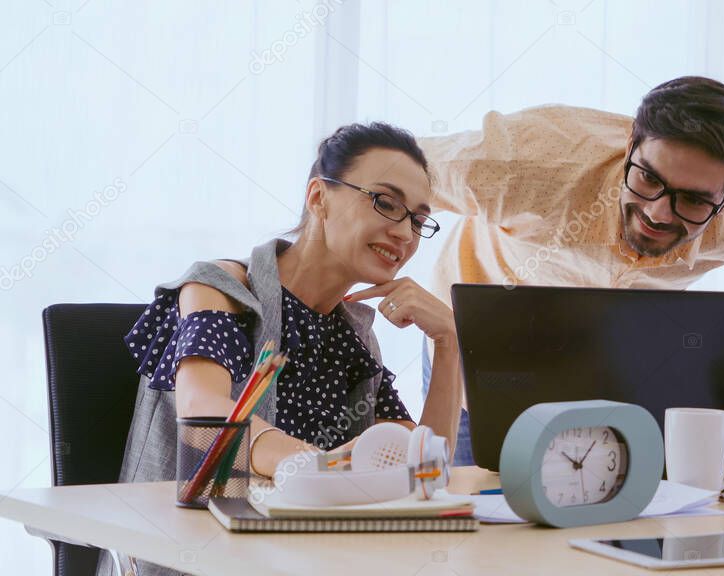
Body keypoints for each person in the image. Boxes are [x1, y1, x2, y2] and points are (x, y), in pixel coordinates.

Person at [101, 122, 461, 576]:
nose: (405, 233)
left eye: (417, 218)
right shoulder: (223, 287)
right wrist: (319, 468)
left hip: (301, 560)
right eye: (386, 203)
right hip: (194, 560)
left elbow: (422, 464)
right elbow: (206, 415)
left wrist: (449, 344)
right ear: (318, 197)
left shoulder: (354, 334)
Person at [419, 76, 724, 464]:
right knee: (471, 511)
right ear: (629, 148)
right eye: (648, 179)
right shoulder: (527, 161)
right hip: (474, 346)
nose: (657, 213)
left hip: (591, 360)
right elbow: (393, 170)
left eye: (692, 200)